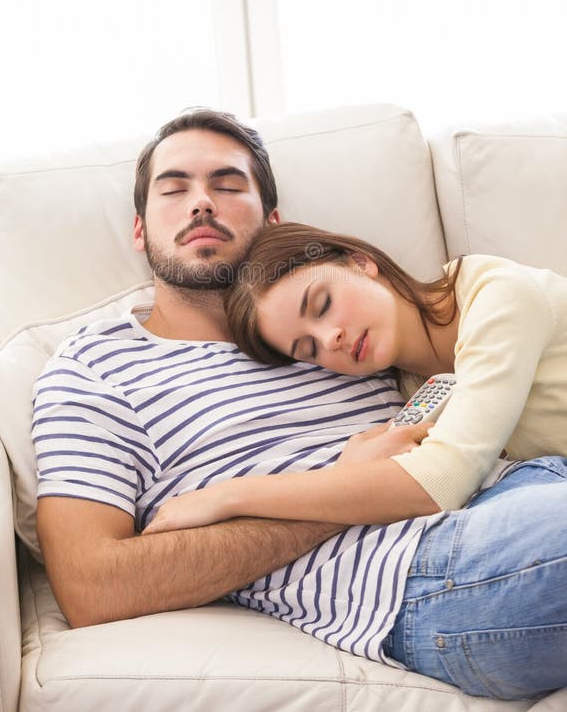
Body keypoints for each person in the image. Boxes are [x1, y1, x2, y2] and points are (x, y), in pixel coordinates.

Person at [33, 110, 567, 701]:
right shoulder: (95, 370)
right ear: (139, 229)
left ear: (272, 221)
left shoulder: (353, 323)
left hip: (525, 483)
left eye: (228, 185)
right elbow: (91, 588)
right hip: (423, 569)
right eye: (174, 188)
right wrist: (336, 493)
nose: (202, 203)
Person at [146, 220, 567, 532]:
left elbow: (440, 481)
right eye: (308, 349)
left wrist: (229, 495)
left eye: (322, 304)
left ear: (359, 262)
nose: (329, 339)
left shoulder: (499, 297)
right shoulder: (411, 389)